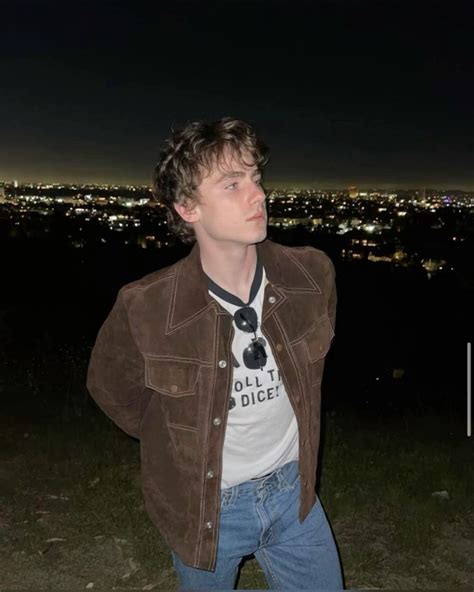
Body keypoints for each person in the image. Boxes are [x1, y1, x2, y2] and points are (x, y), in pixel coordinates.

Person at [87, 117, 343, 590]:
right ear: (188, 207)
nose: (257, 194)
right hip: (206, 507)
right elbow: (111, 390)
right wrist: (176, 436)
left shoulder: (310, 276)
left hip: (294, 496)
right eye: (232, 184)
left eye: (255, 178)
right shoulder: (147, 308)